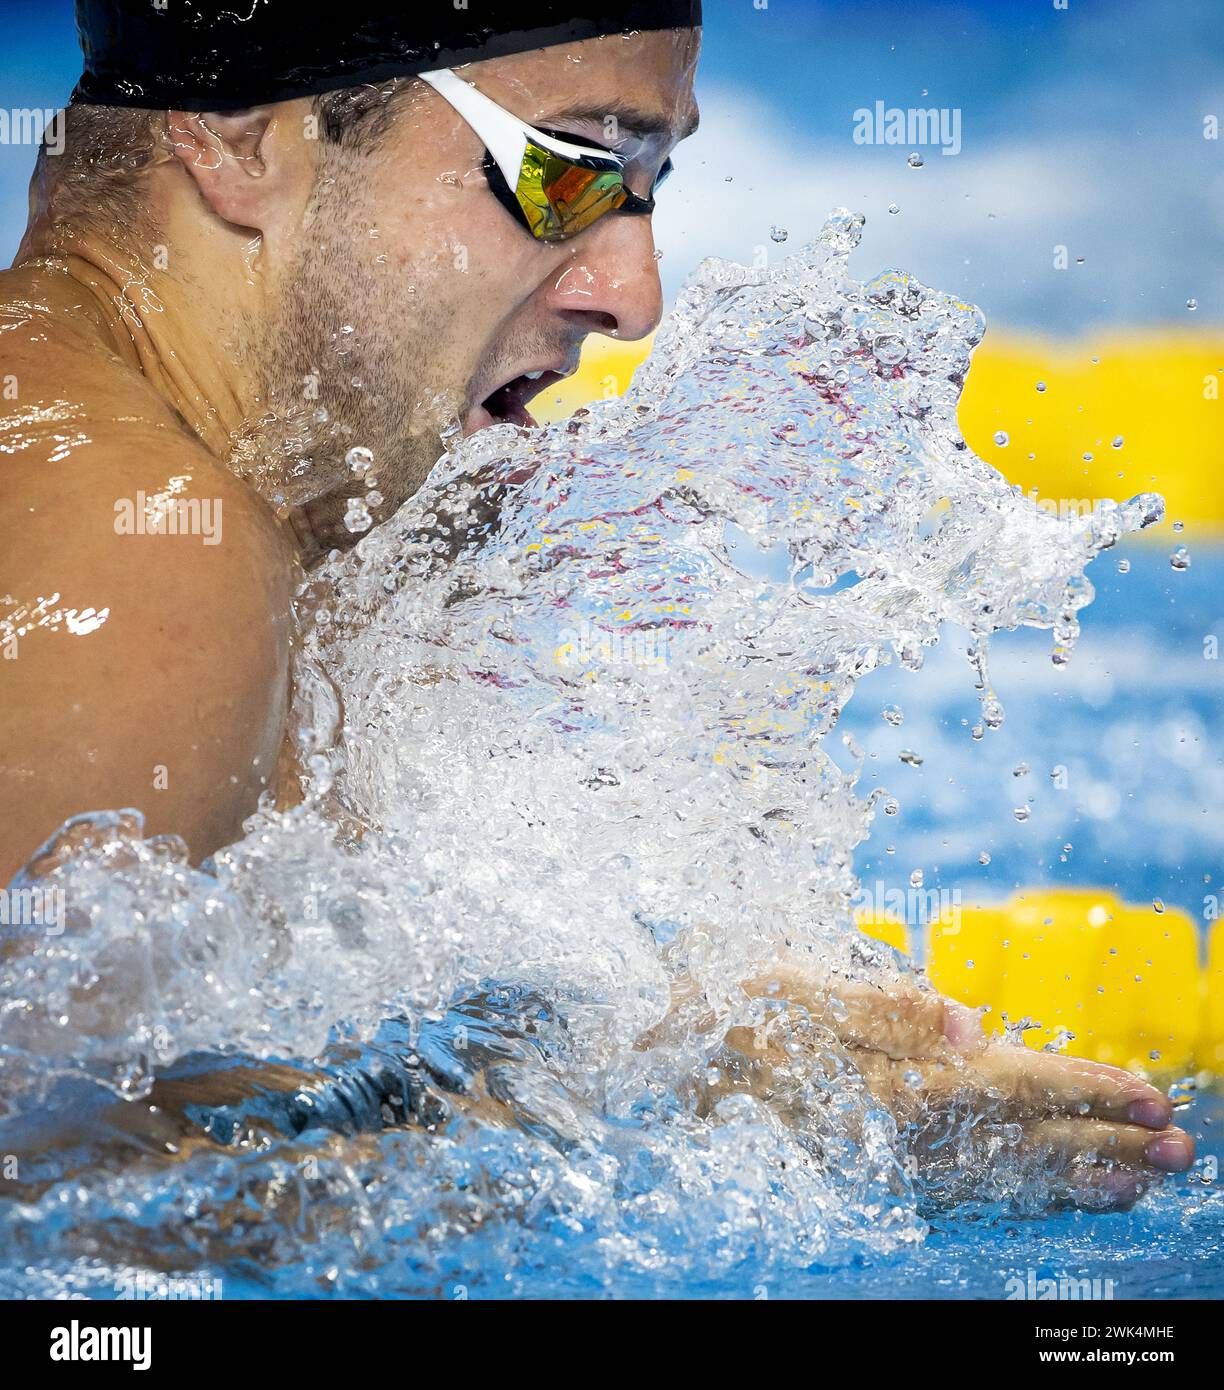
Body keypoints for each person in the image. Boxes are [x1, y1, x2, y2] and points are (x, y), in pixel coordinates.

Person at [0, 1, 1193, 1202]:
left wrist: (645, 1055)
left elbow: (194, 1088)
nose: (635, 295)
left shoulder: (266, 512)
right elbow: (55, 1205)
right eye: (564, 174)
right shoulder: (143, 553)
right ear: (238, 140)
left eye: (647, 187)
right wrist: (683, 1132)